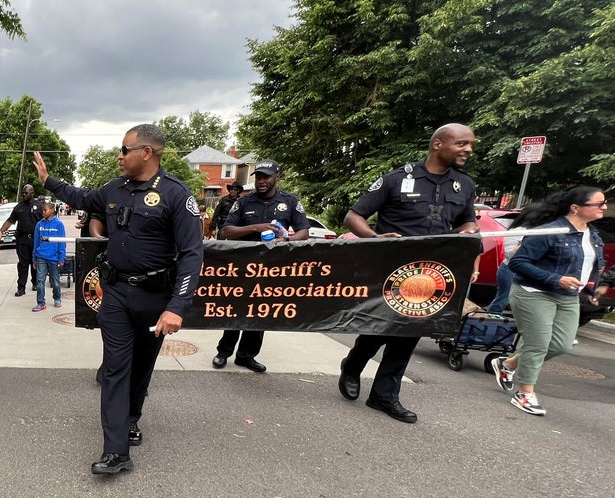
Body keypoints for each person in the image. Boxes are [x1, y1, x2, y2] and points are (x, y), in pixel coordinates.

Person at [33, 124, 204, 476]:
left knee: (141, 367)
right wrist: (49, 181)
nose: (120, 156)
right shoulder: (115, 189)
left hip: (154, 297)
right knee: (114, 369)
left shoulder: (175, 194)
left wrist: (176, 306)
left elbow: (191, 254)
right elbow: (82, 197)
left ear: (147, 152)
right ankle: (115, 451)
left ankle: (131, 419)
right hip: (116, 295)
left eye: (125, 150)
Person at [339, 123, 479, 423]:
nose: (468, 149)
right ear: (438, 144)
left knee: (409, 333)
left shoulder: (464, 185)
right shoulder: (397, 179)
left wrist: (468, 233)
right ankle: (353, 365)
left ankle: (384, 396)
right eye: (462, 144)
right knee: (379, 328)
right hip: (391, 270)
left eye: (470, 145)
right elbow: (354, 216)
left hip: (432, 274)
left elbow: (467, 222)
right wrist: (375, 238)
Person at [491, 187, 607, 415]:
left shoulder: (592, 234)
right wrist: (556, 278)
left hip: (567, 296)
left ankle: (508, 364)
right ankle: (524, 394)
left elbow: (590, 265)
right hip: (533, 292)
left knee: (561, 345)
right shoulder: (550, 231)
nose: (604, 207)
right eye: (598, 203)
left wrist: (591, 288)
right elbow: (517, 263)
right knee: (538, 344)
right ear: (576, 208)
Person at [212, 161, 310, 372]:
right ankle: (223, 352)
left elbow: (304, 232)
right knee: (235, 310)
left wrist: (287, 240)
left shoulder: (290, 202)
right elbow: (227, 231)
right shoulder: (244, 202)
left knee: (260, 313)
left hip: (271, 268)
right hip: (243, 267)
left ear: (277, 177)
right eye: (258, 177)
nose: (261, 181)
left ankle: (246, 356)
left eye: (266, 177)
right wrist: (256, 227)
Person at [0, 184, 42, 296]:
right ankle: (21, 288)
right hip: (22, 240)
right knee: (23, 264)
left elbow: (47, 221)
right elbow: (10, 221)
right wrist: (0, 231)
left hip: (36, 240)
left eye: (26, 193)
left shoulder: (39, 206)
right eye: (22, 193)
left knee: (35, 262)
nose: (23, 195)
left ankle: (35, 283)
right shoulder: (19, 207)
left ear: (32, 193)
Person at [32, 200, 67, 311]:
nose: (43, 212)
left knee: (55, 281)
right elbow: (36, 242)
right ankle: (41, 303)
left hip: (54, 258)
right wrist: (34, 258)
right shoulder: (39, 225)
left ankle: (57, 298)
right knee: (39, 281)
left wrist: (61, 258)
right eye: (42, 210)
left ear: (52, 210)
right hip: (41, 257)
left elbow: (62, 242)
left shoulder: (59, 225)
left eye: (45, 210)